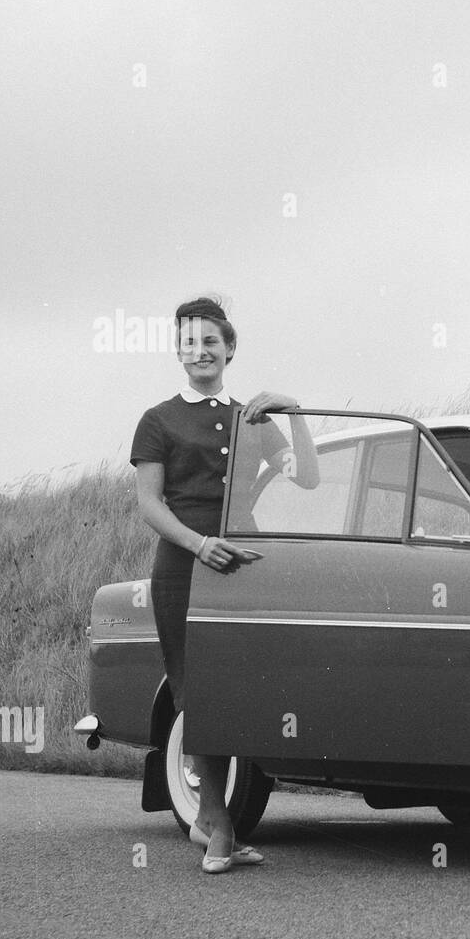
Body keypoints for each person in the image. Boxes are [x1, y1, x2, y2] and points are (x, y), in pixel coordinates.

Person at [130, 296, 318, 874]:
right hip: (183, 568)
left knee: (237, 692)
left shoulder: (252, 420)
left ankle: (211, 817)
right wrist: (198, 543)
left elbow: (308, 478)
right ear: (178, 352)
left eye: (211, 341)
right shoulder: (158, 420)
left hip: (240, 568)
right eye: (189, 341)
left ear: (229, 348)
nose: (201, 351)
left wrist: (294, 411)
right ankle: (221, 829)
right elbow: (149, 502)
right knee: (196, 694)